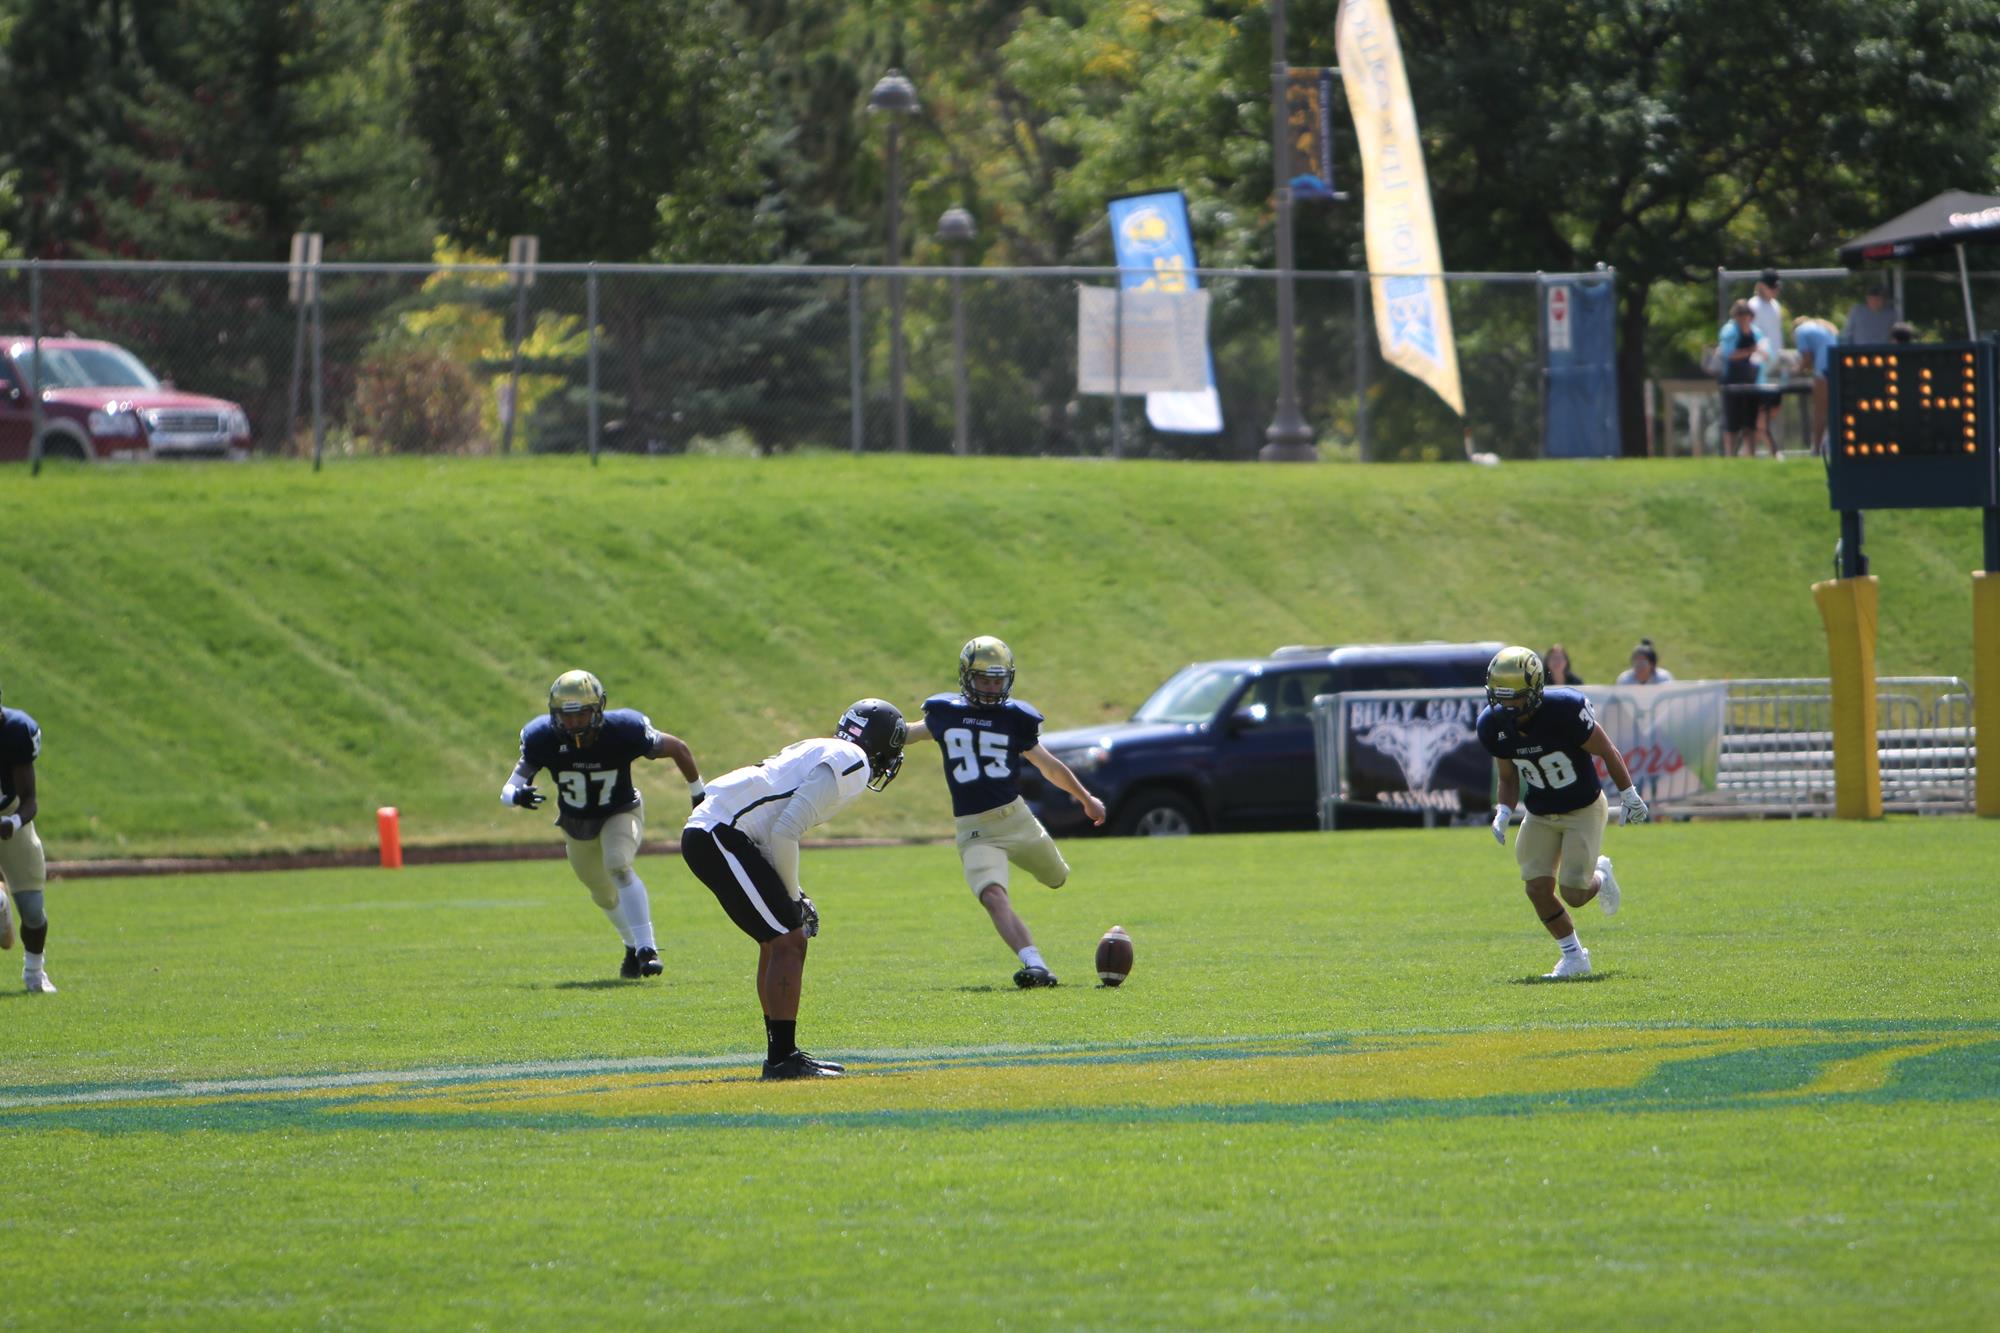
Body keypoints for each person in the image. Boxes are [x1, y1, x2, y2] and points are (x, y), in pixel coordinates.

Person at [681, 699, 908, 1080]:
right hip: (720, 834)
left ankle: (782, 1055)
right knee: (789, 939)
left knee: (778, 940)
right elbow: (786, 831)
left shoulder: (825, 747)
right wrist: (793, 898)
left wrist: (795, 893)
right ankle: (783, 1059)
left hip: (720, 832)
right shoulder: (853, 760)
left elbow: (774, 830)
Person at [902, 637, 1106, 988]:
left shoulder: (1015, 718)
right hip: (974, 829)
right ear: (967, 677)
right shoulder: (945, 712)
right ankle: (1036, 965)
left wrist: (1085, 798)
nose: (992, 688)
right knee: (993, 895)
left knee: (1057, 878)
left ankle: (1037, 949)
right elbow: (908, 733)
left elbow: (1049, 766)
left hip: (1017, 818)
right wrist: (864, 735)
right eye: (984, 680)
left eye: (998, 680)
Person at [502, 670, 703, 980]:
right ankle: (631, 945)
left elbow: (679, 748)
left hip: (620, 811)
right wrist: (516, 795)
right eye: (566, 716)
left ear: (597, 709)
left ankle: (647, 949)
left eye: (581, 713)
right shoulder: (543, 736)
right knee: (603, 894)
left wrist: (699, 794)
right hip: (575, 823)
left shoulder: (624, 730)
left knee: (618, 865)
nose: (573, 723)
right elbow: (509, 787)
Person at [1478, 647, 1648, 980]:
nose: (1507, 707)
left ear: (1536, 691)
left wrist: (1628, 794)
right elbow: (1509, 776)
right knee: (1536, 887)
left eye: (1515, 698)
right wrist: (1503, 810)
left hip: (1582, 808)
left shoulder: (1565, 711)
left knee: (1574, 894)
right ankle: (1574, 957)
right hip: (1540, 813)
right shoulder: (1493, 724)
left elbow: (1606, 749)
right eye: (1501, 698)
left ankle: (1600, 874)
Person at [0, 679, 53, 993]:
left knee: (33, 910)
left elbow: (30, 799)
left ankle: (34, 972)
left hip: (11, 820)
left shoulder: (16, 730)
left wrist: (14, 823)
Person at [1716, 300, 1774, 458]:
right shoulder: (1730, 332)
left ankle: (1751, 454)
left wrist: (1759, 352)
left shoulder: (1756, 333)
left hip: (1752, 382)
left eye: (1746, 315)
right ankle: (1729, 456)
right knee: (1732, 422)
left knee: (1750, 421)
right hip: (1732, 382)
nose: (1743, 318)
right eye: (1740, 315)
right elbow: (1729, 354)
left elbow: (1767, 354)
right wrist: (1750, 351)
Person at [1748, 271, 1787, 445]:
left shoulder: (1776, 306)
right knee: (1760, 408)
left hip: (1775, 364)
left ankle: (1757, 443)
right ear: (1762, 286)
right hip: (1760, 366)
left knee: (1774, 407)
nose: (1775, 291)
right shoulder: (1753, 305)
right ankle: (1761, 446)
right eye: (1773, 287)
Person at [1792, 315, 1839, 455]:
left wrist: (1794, 372)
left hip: (1824, 368)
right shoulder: (1822, 328)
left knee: (1820, 411)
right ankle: (1833, 446)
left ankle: (1817, 449)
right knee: (1834, 409)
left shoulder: (1800, 331)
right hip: (1837, 364)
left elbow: (1806, 358)